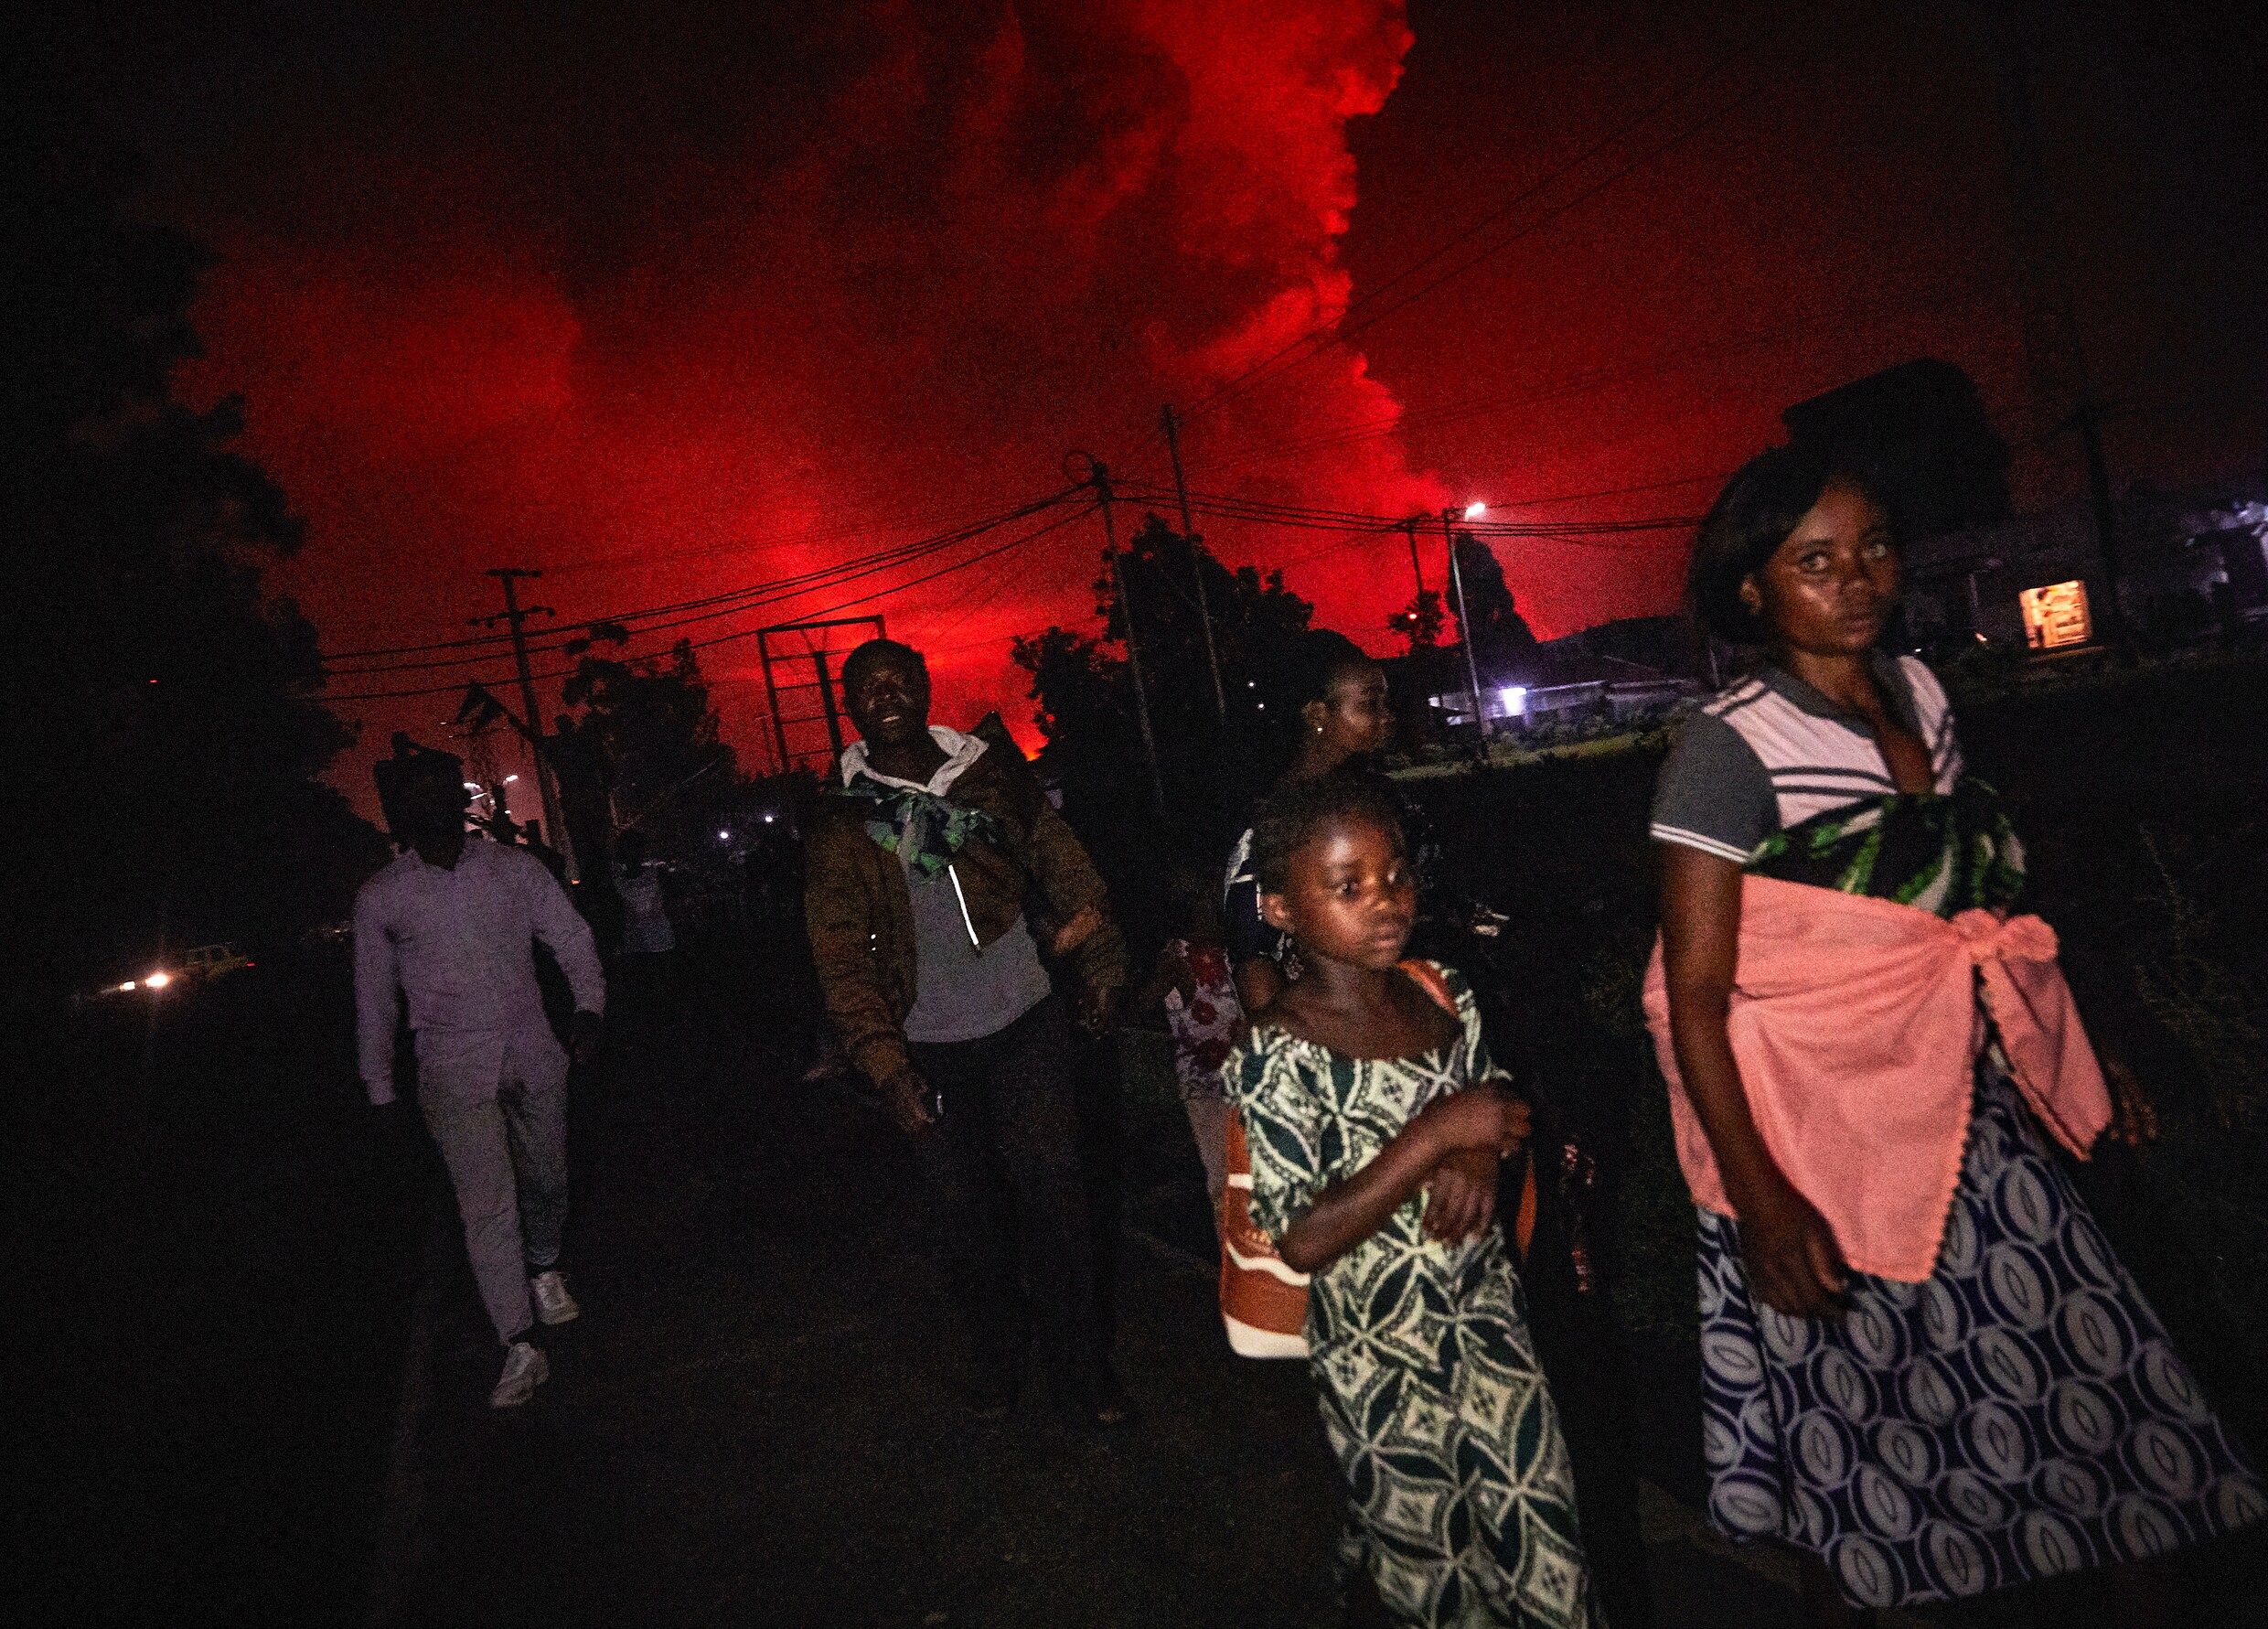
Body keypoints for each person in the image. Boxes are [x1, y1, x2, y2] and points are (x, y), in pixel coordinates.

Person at [1647, 444, 2263, 1624]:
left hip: (1967, 1123)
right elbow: (1696, 999)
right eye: (1814, 560)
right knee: (1865, 1463)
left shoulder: (1923, 692)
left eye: (1874, 546)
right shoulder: (1727, 750)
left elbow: (1972, 916)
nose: (1858, 577)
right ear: (1752, 593)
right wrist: (1763, 1199)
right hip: (1815, 1153)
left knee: (2119, 1410)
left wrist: (2079, 1052)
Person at [1226, 773, 1602, 1629]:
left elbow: (1495, 1109)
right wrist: (1436, 1136)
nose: (1386, 901)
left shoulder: (1443, 993)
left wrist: (1478, 1140)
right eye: (1348, 886)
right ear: (1284, 911)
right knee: (1436, 1581)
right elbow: (1302, 1237)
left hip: (1490, 1327)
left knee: (1552, 1556)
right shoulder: (1276, 1052)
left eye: (1395, 874)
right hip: (1379, 1363)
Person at [804, 638, 1134, 1425]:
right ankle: (997, 1351)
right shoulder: (841, 820)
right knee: (964, 1215)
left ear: (924, 687)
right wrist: (886, 1066)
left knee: (1056, 1196)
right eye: (866, 686)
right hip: (928, 1041)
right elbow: (840, 952)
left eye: (898, 679)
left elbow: (1064, 864)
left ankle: (1081, 1366)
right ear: (849, 706)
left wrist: (1104, 964)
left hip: (1025, 1016)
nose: (885, 693)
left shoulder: (986, 772)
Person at [355, 750, 604, 1409]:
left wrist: (588, 1007)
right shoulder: (383, 896)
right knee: (486, 1204)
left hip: (532, 1050)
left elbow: (571, 937)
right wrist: (379, 1087)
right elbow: (375, 999)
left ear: (460, 800)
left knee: (548, 1175)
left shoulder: (513, 869)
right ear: (399, 811)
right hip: (451, 1071)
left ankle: (546, 1265)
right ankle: (519, 1342)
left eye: (443, 790)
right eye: (417, 795)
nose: (433, 804)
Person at [1223, 629, 1394, 1017]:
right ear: (1318, 714)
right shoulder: (1278, 827)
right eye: (1371, 704)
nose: (1387, 717)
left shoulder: (1373, 800)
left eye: (1386, 702)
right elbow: (1253, 960)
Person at [1129, 858, 1243, 1206]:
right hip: (1204, 1084)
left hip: (1242, 1078)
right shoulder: (1179, 955)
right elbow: (1141, 1003)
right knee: (1222, 1179)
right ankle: (1230, 1253)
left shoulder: (1233, 949)